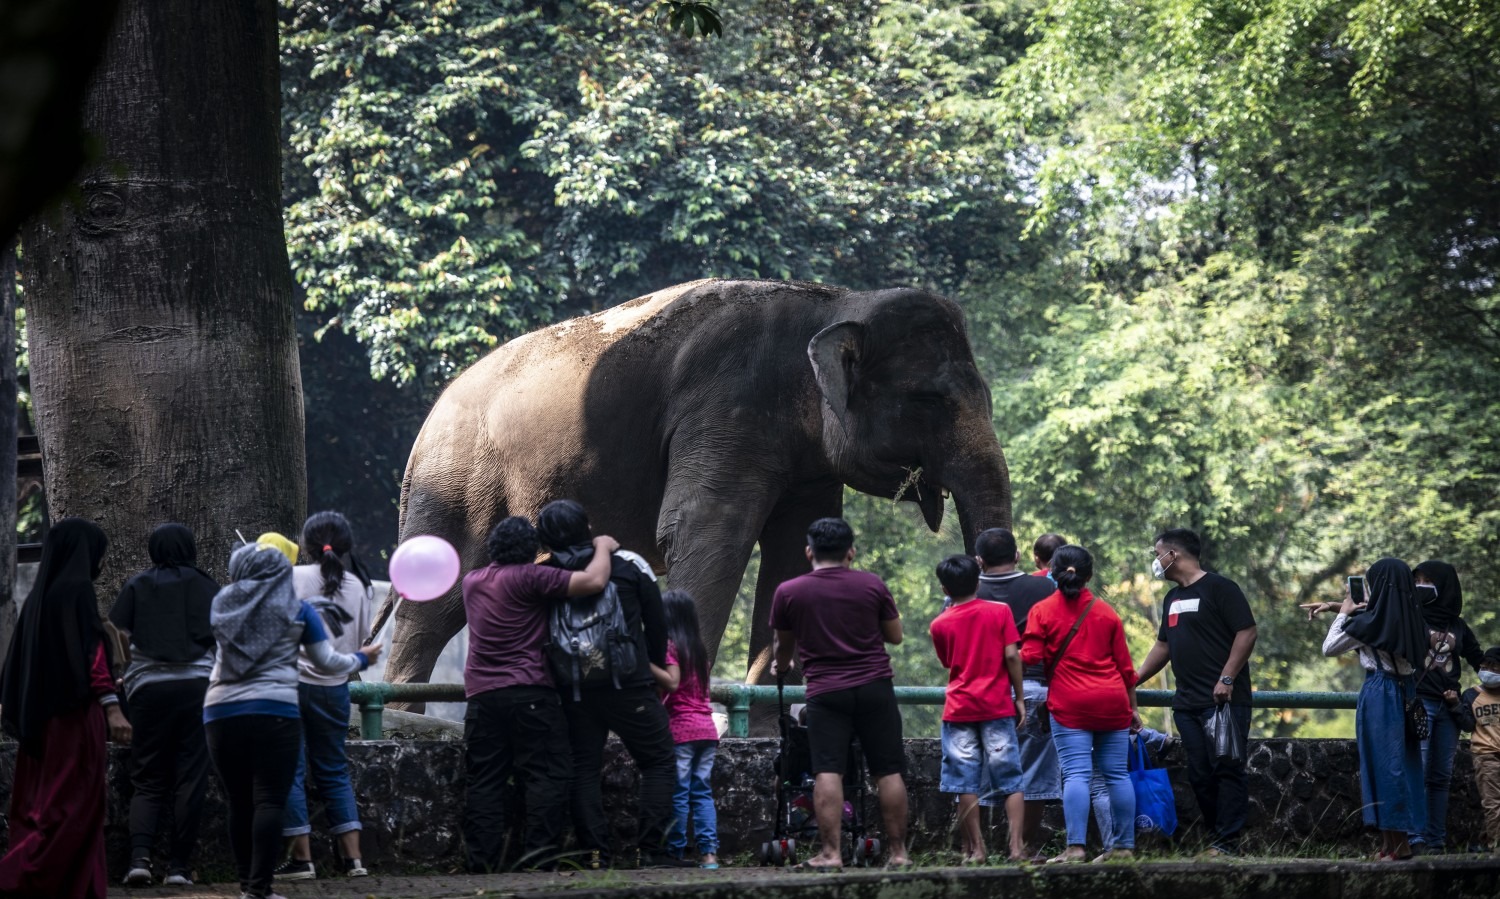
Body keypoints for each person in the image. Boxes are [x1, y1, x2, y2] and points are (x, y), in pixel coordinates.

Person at [204, 538, 381, 899]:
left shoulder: (221, 603)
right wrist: (362, 659)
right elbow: (327, 662)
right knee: (269, 800)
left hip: (221, 710)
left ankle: (243, 885)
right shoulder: (296, 608)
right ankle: (259, 888)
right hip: (275, 710)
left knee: (239, 802)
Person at [461, 515, 616, 872]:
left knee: (485, 781)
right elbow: (593, 581)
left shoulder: (472, 581)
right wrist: (603, 546)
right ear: (531, 550)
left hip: (482, 696)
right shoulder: (532, 578)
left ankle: (480, 864)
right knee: (547, 776)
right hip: (530, 691)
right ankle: (537, 860)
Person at [535, 500, 685, 868]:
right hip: (629, 683)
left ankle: (593, 854)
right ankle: (652, 851)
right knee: (659, 761)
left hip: (574, 689)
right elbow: (656, 623)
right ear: (588, 527)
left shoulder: (546, 574)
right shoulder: (629, 565)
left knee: (583, 767)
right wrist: (650, 671)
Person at [0, 518, 132, 899]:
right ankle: (14, 876)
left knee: (40, 805)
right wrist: (112, 707)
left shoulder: (39, 600)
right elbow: (91, 655)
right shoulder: (77, 592)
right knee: (73, 808)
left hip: (40, 721)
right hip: (74, 720)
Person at [770, 517, 911, 870]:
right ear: (851, 552)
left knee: (828, 770)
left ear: (808, 552)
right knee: (888, 771)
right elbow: (895, 637)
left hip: (826, 691)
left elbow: (782, 648)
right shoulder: (872, 585)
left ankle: (831, 854)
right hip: (875, 686)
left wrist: (780, 667)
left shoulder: (789, 592)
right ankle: (898, 854)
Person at [1133, 528, 1257, 856]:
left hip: (1223, 701)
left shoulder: (1220, 588)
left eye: (1158, 553)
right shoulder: (1171, 599)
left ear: (1174, 555)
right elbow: (1164, 645)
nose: (1156, 561)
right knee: (1200, 774)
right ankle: (1217, 839)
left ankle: (1227, 843)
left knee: (1226, 769)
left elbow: (1247, 632)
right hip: (1187, 702)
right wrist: (1134, 678)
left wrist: (1227, 679)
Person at [110, 523, 220, 886]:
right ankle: (178, 868)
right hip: (197, 689)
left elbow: (118, 635)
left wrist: (131, 666)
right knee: (190, 778)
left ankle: (139, 860)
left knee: (148, 777)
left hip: (147, 691)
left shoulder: (138, 585)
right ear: (190, 547)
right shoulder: (207, 586)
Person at [276, 512, 378, 881]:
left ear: (307, 545)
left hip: (292, 686)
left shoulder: (289, 577)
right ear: (346, 545)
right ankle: (354, 860)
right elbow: (362, 638)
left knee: (292, 771)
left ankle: (302, 861)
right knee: (334, 769)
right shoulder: (361, 585)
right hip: (335, 689)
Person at [1021, 544, 1138, 864]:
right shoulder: (1106, 612)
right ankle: (1124, 848)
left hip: (1070, 704)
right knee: (1117, 775)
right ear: (1089, 575)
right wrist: (1134, 709)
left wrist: (1006, 655)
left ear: (1052, 572)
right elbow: (1126, 669)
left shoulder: (1042, 611)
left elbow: (1031, 657)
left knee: (1076, 776)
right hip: (1113, 703)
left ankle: (1075, 848)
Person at [1306, 558, 1429, 860]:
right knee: (1400, 766)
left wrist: (1343, 613)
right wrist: (1337, 606)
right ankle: (1397, 842)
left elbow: (1330, 646)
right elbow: (1379, 617)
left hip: (1380, 691)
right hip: (1407, 692)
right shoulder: (1414, 620)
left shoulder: (1369, 625)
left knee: (1381, 767)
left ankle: (1396, 845)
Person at [972, 527, 1063, 856]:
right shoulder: (1047, 587)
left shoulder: (967, 591)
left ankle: (976, 849)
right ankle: (1021, 848)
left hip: (981, 692)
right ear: (1017, 556)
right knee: (1034, 773)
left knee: (976, 771)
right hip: (1036, 689)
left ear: (979, 560)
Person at [930, 554, 1026, 863]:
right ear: (978, 580)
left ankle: (978, 850)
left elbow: (948, 662)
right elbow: (1012, 656)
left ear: (944, 588)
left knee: (964, 782)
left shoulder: (940, 623)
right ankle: (1015, 848)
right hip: (997, 706)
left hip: (959, 709)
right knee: (1010, 779)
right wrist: (1020, 697)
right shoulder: (1000, 612)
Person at [1406, 560, 1486, 854]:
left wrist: (1489, 681)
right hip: (1420, 703)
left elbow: (1479, 660)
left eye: (1427, 581)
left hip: (1450, 708)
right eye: (1418, 580)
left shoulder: (1458, 627)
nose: (1420, 586)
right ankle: (1414, 838)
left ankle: (1435, 840)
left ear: (1445, 586)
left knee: (1441, 777)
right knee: (1419, 770)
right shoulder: (1411, 618)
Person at [655, 589, 722, 868]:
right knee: (702, 792)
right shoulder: (699, 651)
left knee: (680, 793)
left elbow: (666, 688)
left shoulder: (670, 647)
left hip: (682, 730)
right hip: (707, 729)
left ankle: (676, 851)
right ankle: (709, 855)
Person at [1453, 647, 1500, 853]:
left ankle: (1486, 839)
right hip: (1486, 755)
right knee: (1492, 803)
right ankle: (1496, 846)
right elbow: (1467, 724)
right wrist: (1455, 705)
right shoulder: (1471, 695)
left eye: (1494, 667)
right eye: (1485, 666)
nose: (1488, 670)